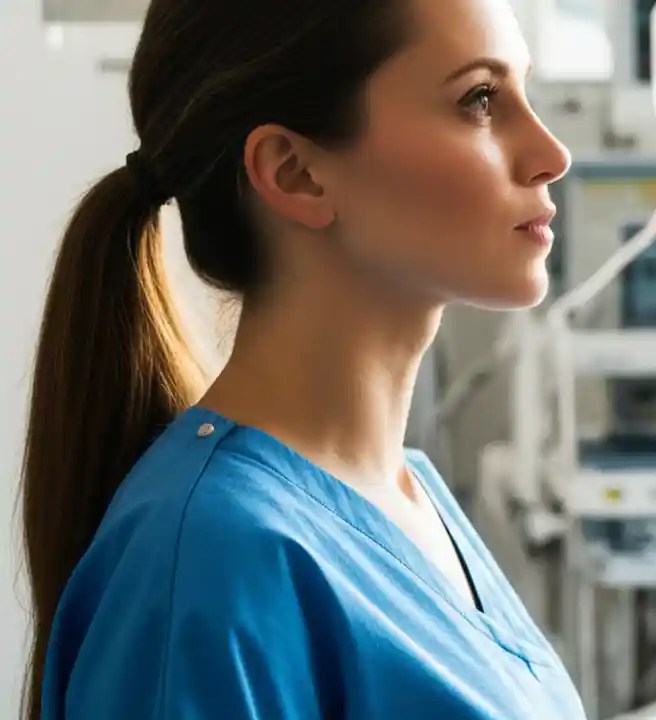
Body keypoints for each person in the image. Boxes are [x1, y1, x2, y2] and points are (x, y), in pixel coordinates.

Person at [20, 0, 577, 717]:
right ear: (295, 173)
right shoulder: (212, 564)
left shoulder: (406, 497)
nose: (551, 154)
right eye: (480, 100)